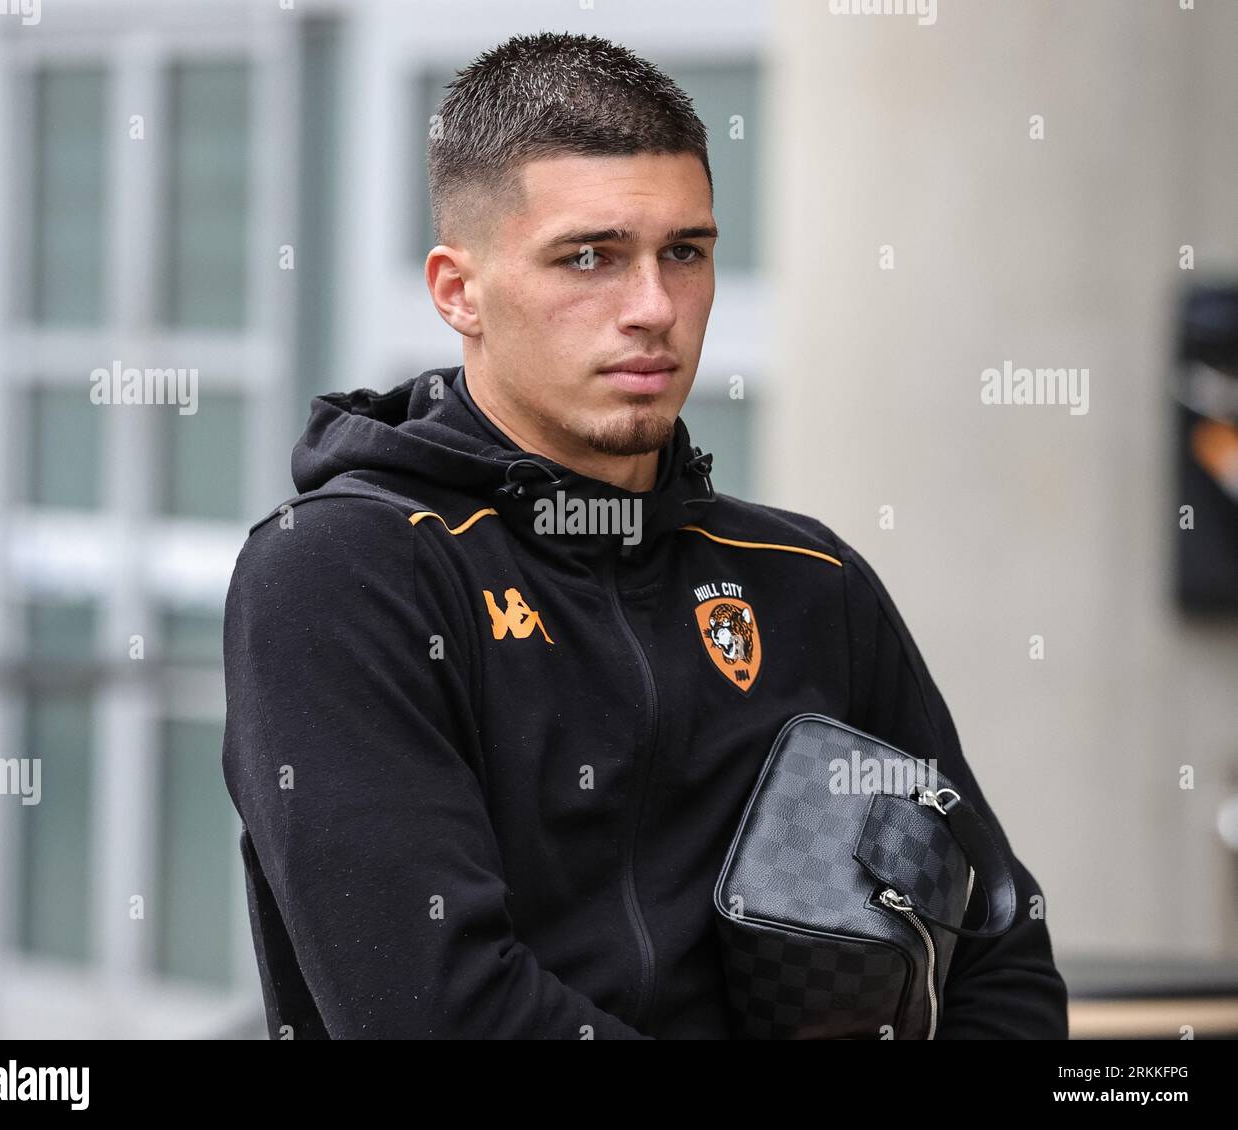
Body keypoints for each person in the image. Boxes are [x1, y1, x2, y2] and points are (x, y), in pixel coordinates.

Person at [221, 30, 1068, 1039]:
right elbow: (440, 1010)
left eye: (686, 252)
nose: (654, 308)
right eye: (590, 257)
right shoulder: (345, 574)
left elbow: (998, 945)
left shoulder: (807, 580)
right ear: (458, 290)